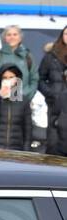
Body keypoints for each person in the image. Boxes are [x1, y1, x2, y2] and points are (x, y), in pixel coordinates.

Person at [0, 25, 38, 103]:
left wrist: (25, 95)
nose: (12, 37)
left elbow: (34, 80)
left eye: (15, 34)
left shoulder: (28, 57)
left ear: (20, 38)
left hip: (21, 104)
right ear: (4, 38)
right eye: (8, 35)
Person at [0, 64, 32, 151]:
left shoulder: (23, 100)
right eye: (4, 78)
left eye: (11, 77)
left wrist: (26, 149)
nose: (8, 80)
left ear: (16, 80)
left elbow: (28, 127)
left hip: (16, 149)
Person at [38, 26, 67, 155]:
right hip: (55, 103)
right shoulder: (51, 56)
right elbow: (40, 78)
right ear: (62, 36)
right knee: (53, 138)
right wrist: (50, 94)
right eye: (66, 34)